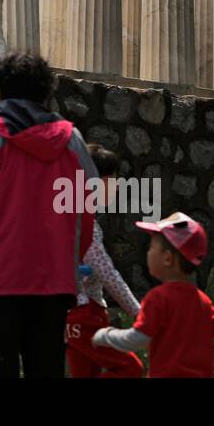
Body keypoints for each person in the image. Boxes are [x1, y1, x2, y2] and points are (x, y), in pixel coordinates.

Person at [0, 52, 97, 378]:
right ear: (45, 91)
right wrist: (69, 260)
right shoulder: (72, 140)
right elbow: (86, 211)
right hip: (55, 283)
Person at [93, 212, 214, 377]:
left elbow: (138, 338)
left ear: (167, 258)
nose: (148, 252)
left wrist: (105, 336)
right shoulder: (203, 301)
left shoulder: (158, 298)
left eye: (151, 247)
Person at [65, 144, 145, 378]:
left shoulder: (67, 219)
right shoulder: (86, 226)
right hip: (86, 314)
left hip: (71, 317)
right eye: (112, 178)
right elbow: (107, 273)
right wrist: (138, 312)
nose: (117, 185)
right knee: (130, 368)